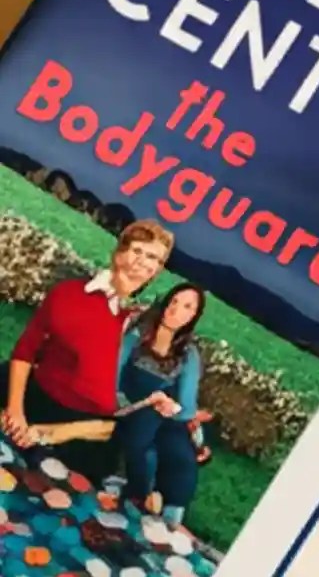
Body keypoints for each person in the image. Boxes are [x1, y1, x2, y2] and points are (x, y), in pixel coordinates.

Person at [0, 219, 174, 482]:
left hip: (87, 430)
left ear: (156, 271)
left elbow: (121, 405)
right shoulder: (69, 294)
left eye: (152, 258)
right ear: (119, 253)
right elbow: (25, 352)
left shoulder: (145, 325)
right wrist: (15, 410)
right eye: (137, 251)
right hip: (40, 397)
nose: (141, 261)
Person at [113, 282, 205, 529]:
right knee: (143, 433)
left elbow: (186, 406)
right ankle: (139, 495)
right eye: (174, 302)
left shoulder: (188, 354)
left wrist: (168, 407)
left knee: (181, 456)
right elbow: (114, 377)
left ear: (192, 317)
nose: (176, 310)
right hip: (128, 406)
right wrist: (135, 403)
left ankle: (170, 520)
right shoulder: (138, 336)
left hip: (166, 416)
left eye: (186, 307)